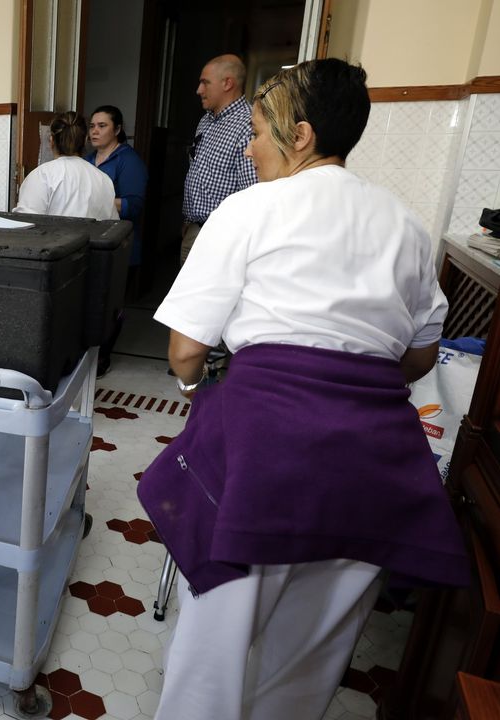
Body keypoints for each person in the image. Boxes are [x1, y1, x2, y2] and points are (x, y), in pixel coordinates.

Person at [140, 59, 469, 720]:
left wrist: (197, 387)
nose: (247, 148)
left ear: (301, 136)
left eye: (258, 132)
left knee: (213, 659)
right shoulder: (406, 225)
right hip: (377, 466)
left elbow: (185, 351)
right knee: (308, 664)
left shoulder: (250, 209)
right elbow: (419, 355)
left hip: (266, 454)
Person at [181, 53, 257, 264]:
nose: (199, 90)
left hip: (223, 239)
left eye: (205, 83)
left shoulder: (249, 125)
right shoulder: (205, 121)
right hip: (194, 230)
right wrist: (189, 220)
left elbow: (252, 193)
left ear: (227, 83)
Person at [13, 110, 115, 219]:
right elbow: (113, 224)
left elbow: (25, 221)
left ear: (51, 140)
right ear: (85, 140)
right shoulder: (103, 179)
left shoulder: (42, 175)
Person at [86, 105, 148, 265]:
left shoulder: (129, 161)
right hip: (90, 242)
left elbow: (133, 205)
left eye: (102, 126)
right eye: (92, 126)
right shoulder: (87, 160)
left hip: (119, 245)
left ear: (117, 129)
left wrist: (91, 202)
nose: (94, 131)